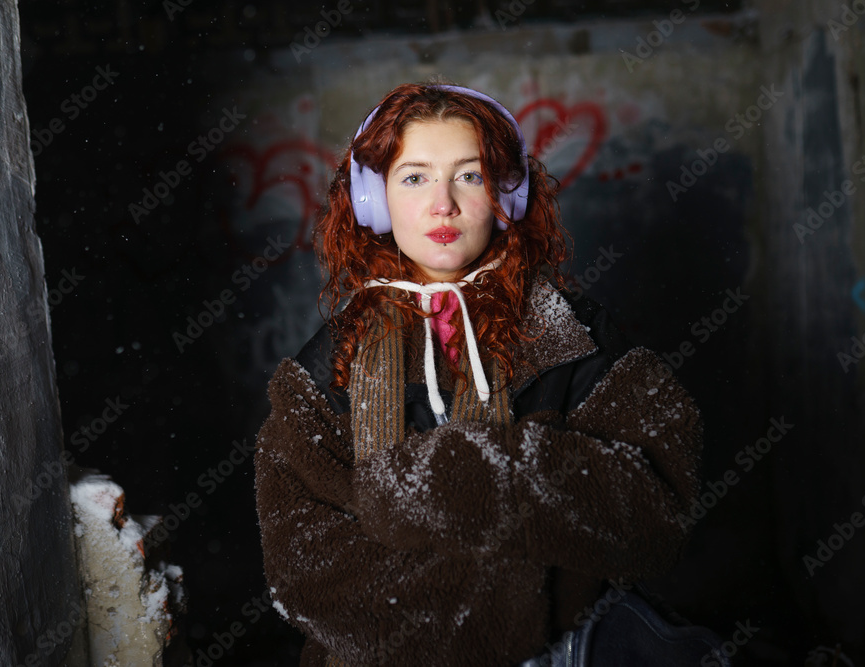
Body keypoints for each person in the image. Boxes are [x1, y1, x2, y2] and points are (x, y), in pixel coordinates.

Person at [254, 81, 704, 667]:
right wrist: (514, 595)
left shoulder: (574, 336)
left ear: (506, 195)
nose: (443, 204)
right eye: (414, 178)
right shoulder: (325, 369)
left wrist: (467, 473)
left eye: (469, 175)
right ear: (373, 200)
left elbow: (655, 512)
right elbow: (305, 573)